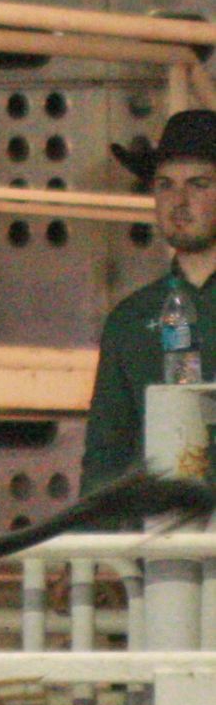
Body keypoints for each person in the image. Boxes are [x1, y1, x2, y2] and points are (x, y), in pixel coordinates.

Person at [82, 108, 216, 493]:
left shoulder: (133, 317)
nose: (179, 200)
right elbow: (105, 456)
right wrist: (95, 549)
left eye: (199, 184)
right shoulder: (130, 319)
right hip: (163, 540)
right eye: (165, 185)